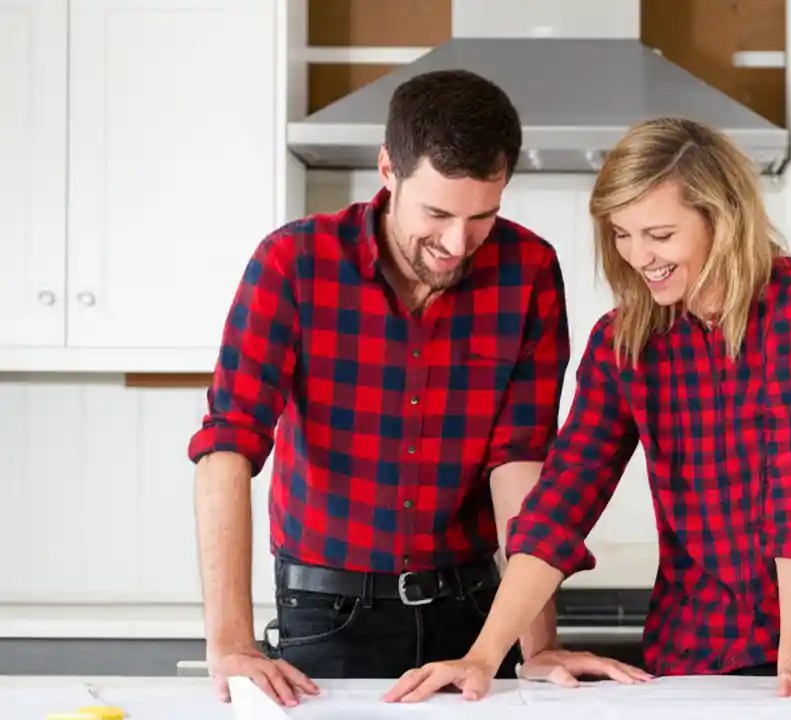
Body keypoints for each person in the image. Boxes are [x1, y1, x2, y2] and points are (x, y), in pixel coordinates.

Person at [379, 117, 791, 705]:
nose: (639, 256)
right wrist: (485, 656)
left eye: (659, 234)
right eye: (622, 234)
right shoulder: (625, 340)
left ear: (722, 218)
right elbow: (563, 498)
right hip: (698, 642)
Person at [186, 69, 647, 707]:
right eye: (437, 213)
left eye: (482, 216)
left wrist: (536, 644)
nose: (458, 243)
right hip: (328, 614)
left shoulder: (528, 271)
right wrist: (231, 640)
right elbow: (228, 446)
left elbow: (519, 463)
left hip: (473, 609)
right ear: (388, 170)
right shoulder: (294, 263)